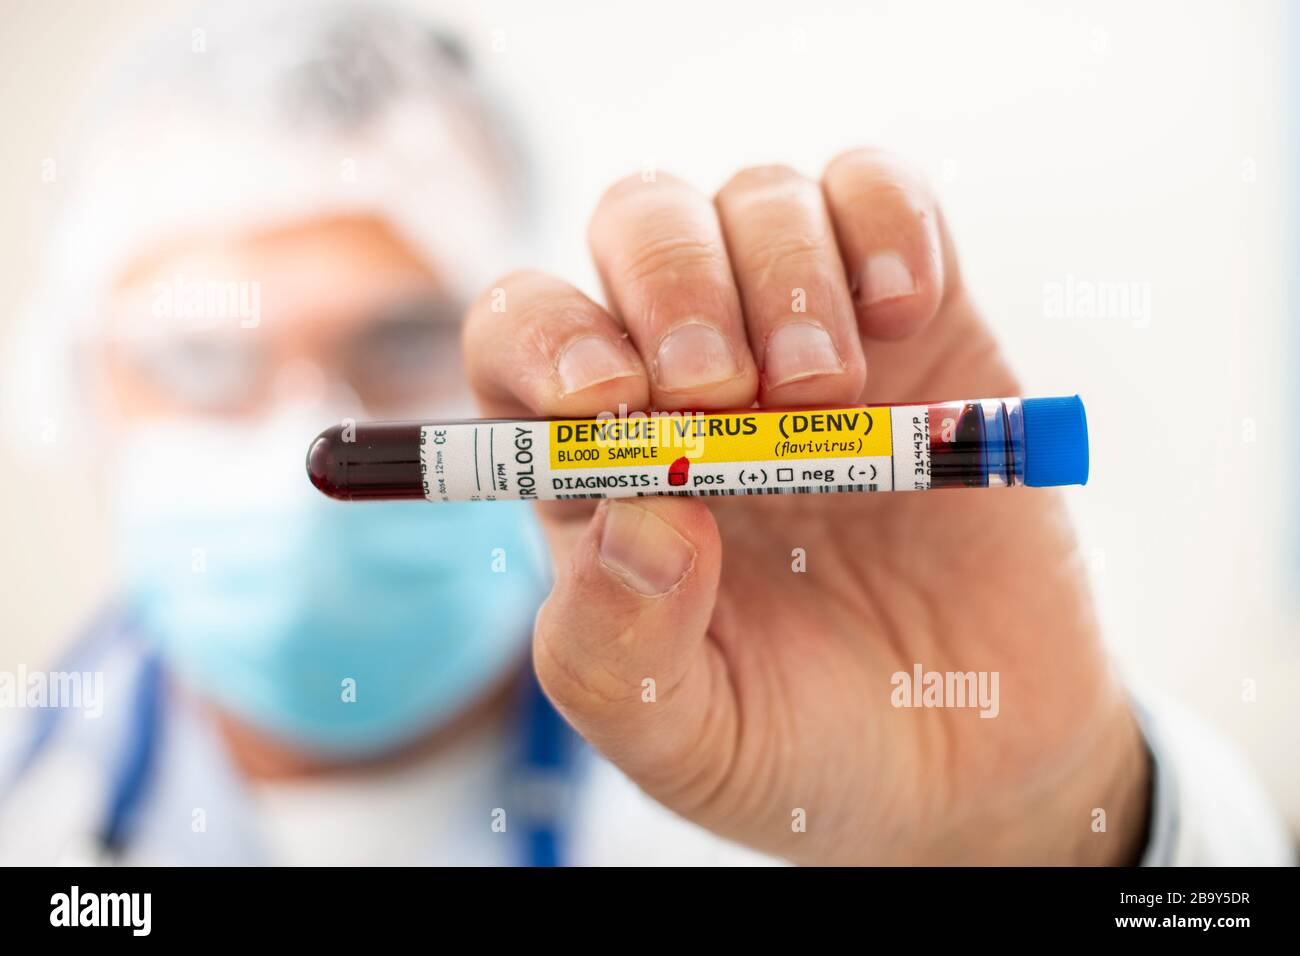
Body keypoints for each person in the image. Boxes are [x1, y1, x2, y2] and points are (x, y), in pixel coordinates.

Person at [0, 0, 1292, 866]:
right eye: (196, 356)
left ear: (518, 345)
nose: (311, 430)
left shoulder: (783, 775)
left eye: (399, 342)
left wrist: (1061, 818)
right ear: (80, 397)